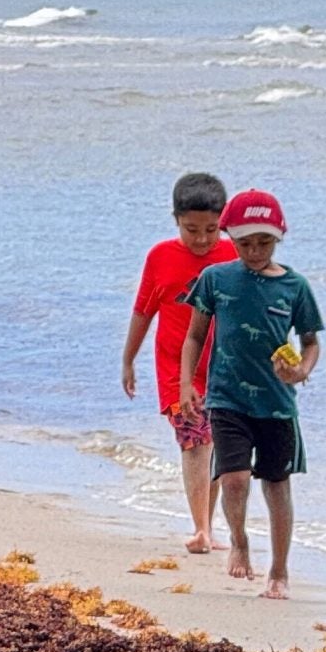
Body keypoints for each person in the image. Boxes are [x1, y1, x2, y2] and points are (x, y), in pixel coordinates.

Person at [179, 189, 323, 600]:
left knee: (277, 483)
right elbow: (194, 336)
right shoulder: (216, 279)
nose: (255, 251)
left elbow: (310, 342)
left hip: (277, 404)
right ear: (231, 239)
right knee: (235, 478)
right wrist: (187, 383)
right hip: (226, 398)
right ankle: (239, 540)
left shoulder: (295, 287)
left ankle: (279, 569)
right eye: (245, 243)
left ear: (279, 237)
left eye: (264, 242)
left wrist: (301, 371)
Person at [122, 172, 234, 553]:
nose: (202, 239)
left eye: (211, 229)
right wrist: (128, 359)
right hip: (176, 368)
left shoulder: (234, 255)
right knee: (195, 443)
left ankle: (208, 526)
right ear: (175, 221)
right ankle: (201, 529)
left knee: (217, 442)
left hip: (223, 368)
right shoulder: (161, 256)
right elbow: (143, 310)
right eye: (191, 229)